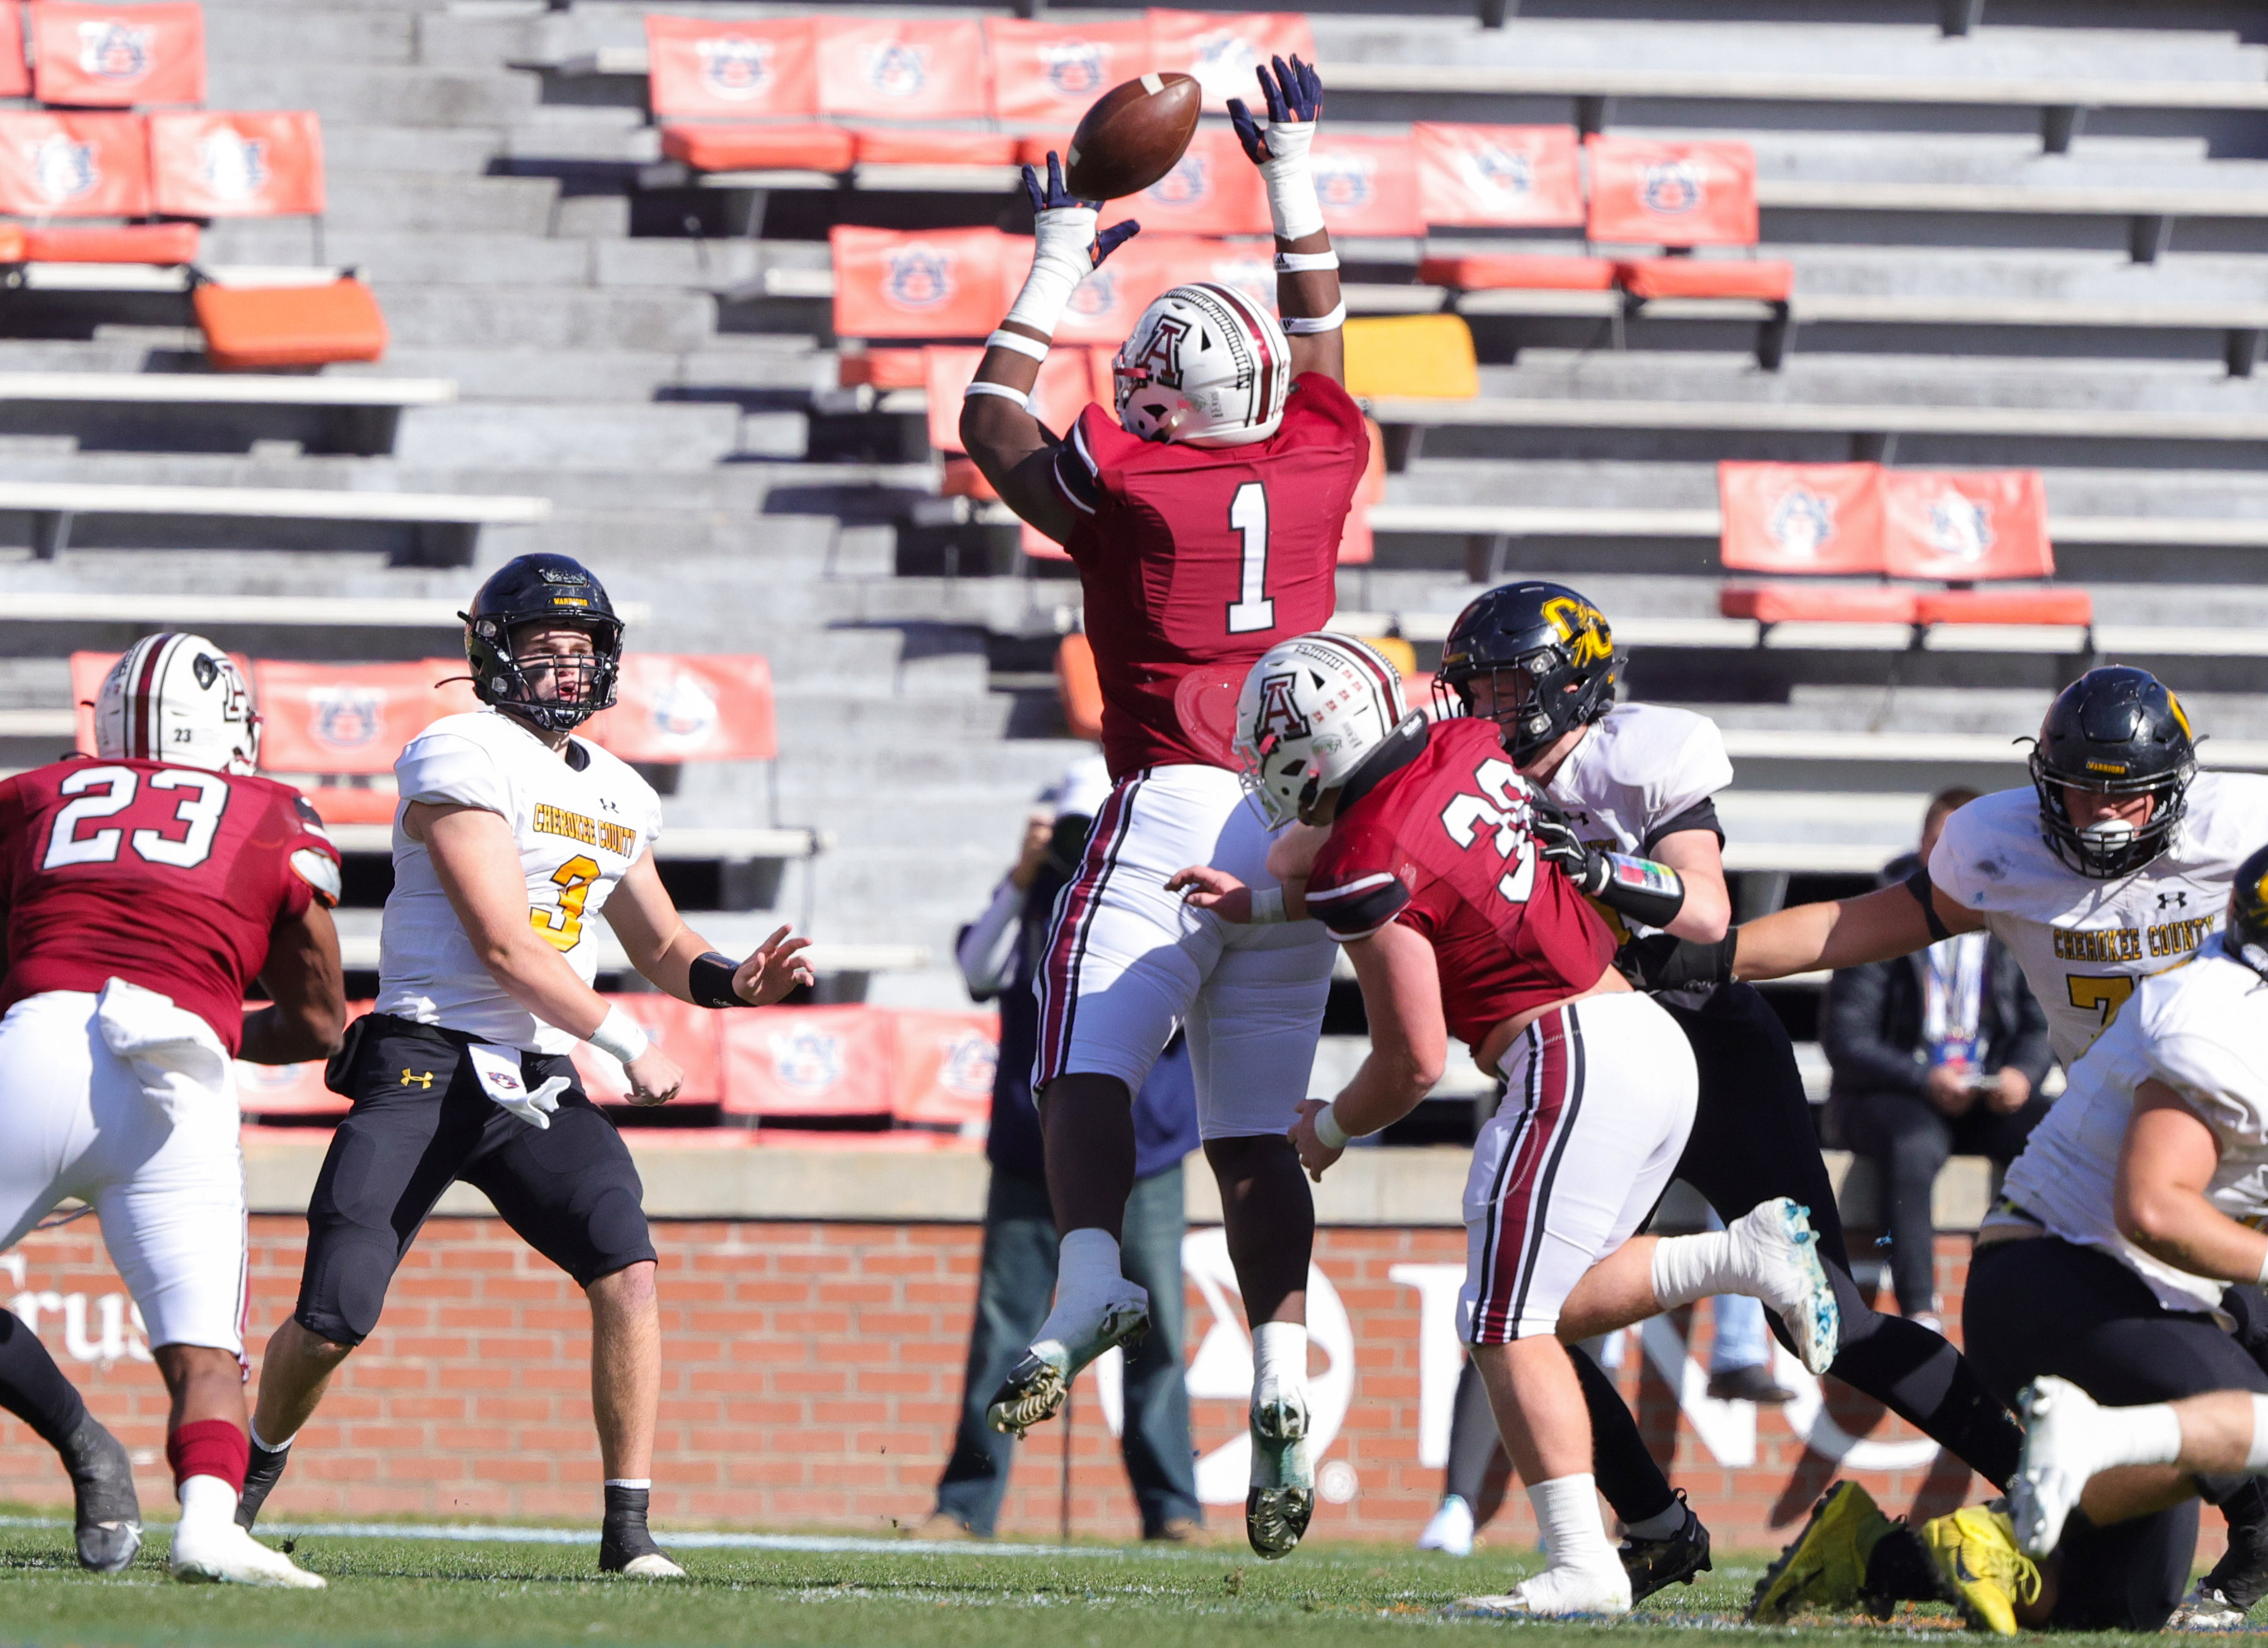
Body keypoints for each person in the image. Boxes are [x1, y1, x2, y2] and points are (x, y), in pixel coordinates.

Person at [1173, 632, 1841, 1615]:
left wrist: (1329, 1131)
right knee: (1546, 1308)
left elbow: (1412, 1060)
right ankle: (1742, 1258)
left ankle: (1581, 1564)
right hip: (1644, 1041)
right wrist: (1272, 902)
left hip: (1566, 1059)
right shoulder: (1462, 750)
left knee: (1497, 1319)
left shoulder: (1363, 858)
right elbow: (1410, 859)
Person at [956, 54, 1368, 1560]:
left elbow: (992, 423)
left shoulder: (1129, 477)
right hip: (1303, 825)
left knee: (1080, 1052)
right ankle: (1270, 1363)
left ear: (1150, 396)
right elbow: (1319, 333)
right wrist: (1292, 167)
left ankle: (1084, 1279)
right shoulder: (1322, 452)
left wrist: (1062, 246)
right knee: (1251, 1134)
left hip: (1176, 798)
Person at [1426, 583, 2030, 1599]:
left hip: (1696, 1036)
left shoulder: (1635, 754)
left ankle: (2030, 1477)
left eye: (1503, 687)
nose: (1485, 710)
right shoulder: (1460, 766)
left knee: (1830, 1322)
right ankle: (1654, 1528)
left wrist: (1603, 871)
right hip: (1572, 1047)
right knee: (1518, 1302)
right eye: (1470, 688)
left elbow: (1702, 912)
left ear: (1570, 686)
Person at [1640, 667, 2268, 1628]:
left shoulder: (2236, 846)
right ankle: (2253, 1532)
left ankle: (1892, 1555)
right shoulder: (2033, 873)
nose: (2102, 818)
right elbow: (1860, 927)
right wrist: (1709, 955)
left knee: (2111, 1602)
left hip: (2188, 1163)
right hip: (2108, 1187)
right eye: (2082, 789)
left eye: (2126, 790)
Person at [233, 555, 814, 1578]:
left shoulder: (623, 792)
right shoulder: (459, 749)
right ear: (493, 653)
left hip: (535, 1078)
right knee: (336, 1314)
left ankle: (628, 1533)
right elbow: (504, 943)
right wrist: (628, 1042)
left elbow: (663, 942)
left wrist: (736, 985)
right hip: (426, 1057)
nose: (565, 667)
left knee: (626, 1264)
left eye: (582, 650)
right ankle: (235, 1492)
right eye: (543, 648)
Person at [1761, 842, 2268, 1635]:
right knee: (2254, 1414)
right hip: (2058, 1279)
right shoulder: (2228, 1017)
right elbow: (2155, 1210)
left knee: (2112, 1608)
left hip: (2146, 1293)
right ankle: (2106, 1455)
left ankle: (1875, 1555)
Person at [0, 632, 346, 1586]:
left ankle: (81, 1441)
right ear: (229, 728)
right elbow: (319, 1019)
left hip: (41, 1041)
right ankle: (207, 1526)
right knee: (205, 1349)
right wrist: (212, 1015)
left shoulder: (32, 798)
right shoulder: (275, 811)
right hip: (182, 1070)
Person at [922, 756, 1203, 1541]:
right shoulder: (1036, 892)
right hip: (1030, 1145)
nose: (1086, 845)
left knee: (1159, 1338)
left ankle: (1173, 1509)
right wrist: (1020, 877)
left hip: (1143, 1149)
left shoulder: (1162, 890)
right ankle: (965, 1504)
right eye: (1074, 829)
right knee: (1002, 1332)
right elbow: (976, 967)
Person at [1824, 787, 2054, 1326]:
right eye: (1940, 844)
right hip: (1896, 1095)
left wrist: (2023, 1073)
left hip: (1984, 1094)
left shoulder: (2013, 917)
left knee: (2053, 1133)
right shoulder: (1880, 913)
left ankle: (2043, 1293)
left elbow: (2038, 1022)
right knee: (1914, 1144)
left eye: (1967, 846)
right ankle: (1920, 1310)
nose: (1954, 860)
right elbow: (1847, 1040)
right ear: (1921, 846)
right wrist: (1924, 1078)